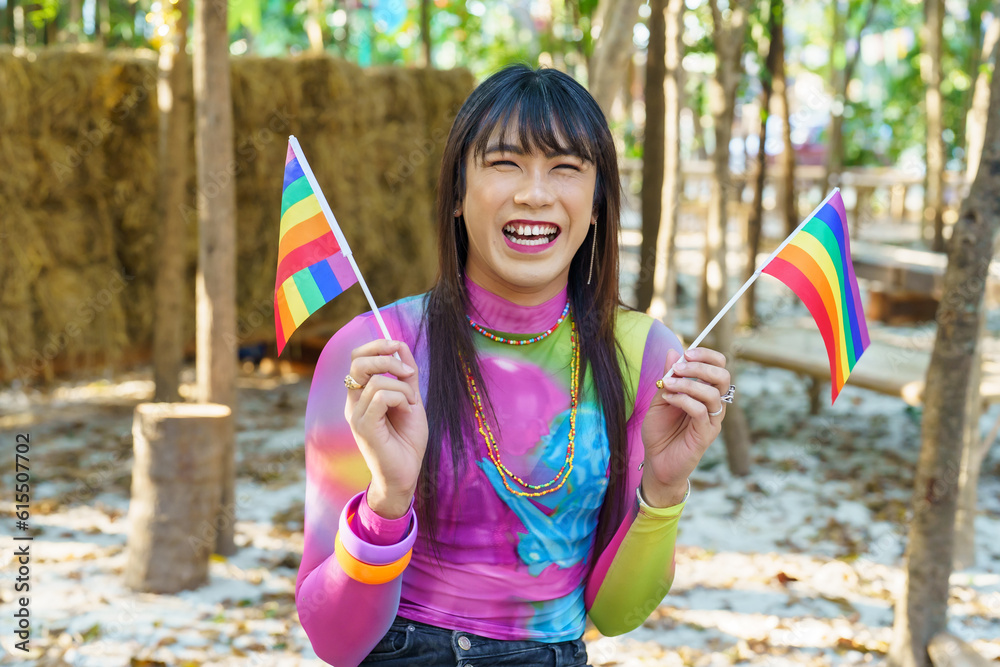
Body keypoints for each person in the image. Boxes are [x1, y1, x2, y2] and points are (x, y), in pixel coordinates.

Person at [295, 63, 733, 667]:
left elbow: (615, 614)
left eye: (566, 167)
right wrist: (388, 500)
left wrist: (665, 487)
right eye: (505, 163)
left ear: (599, 202)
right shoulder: (375, 352)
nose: (535, 192)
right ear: (456, 194)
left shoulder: (645, 355)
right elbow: (335, 641)